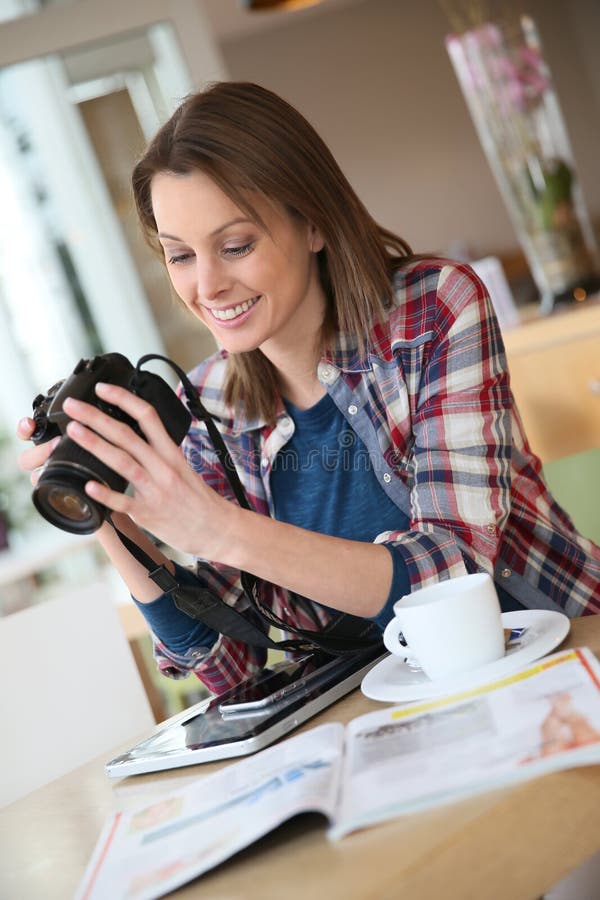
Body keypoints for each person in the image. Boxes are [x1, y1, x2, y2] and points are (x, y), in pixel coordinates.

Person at [17, 82, 600, 696]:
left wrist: (216, 528)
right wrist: (105, 513)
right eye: (180, 256)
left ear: (314, 223)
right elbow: (230, 664)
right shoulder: (212, 401)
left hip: (555, 660)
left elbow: (452, 571)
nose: (207, 286)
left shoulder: (433, 310)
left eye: (235, 245)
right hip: (391, 714)